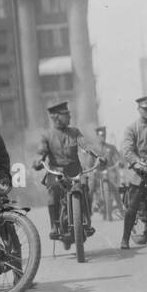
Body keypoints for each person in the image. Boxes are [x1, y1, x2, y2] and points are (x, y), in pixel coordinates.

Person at [33, 102, 101, 243]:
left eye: (69, 114)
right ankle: (54, 226)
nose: (70, 117)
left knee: (86, 188)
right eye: (66, 115)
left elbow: (86, 145)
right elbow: (41, 152)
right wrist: (38, 161)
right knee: (53, 192)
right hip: (56, 172)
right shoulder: (47, 135)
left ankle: (87, 222)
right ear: (57, 118)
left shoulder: (74, 132)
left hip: (74, 170)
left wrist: (98, 155)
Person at [119, 96, 147, 251]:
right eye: (145, 109)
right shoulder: (132, 128)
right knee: (133, 205)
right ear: (139, 109)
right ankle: (125, 238)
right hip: (140, 170)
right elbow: (127, 150)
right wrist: (137, 162)